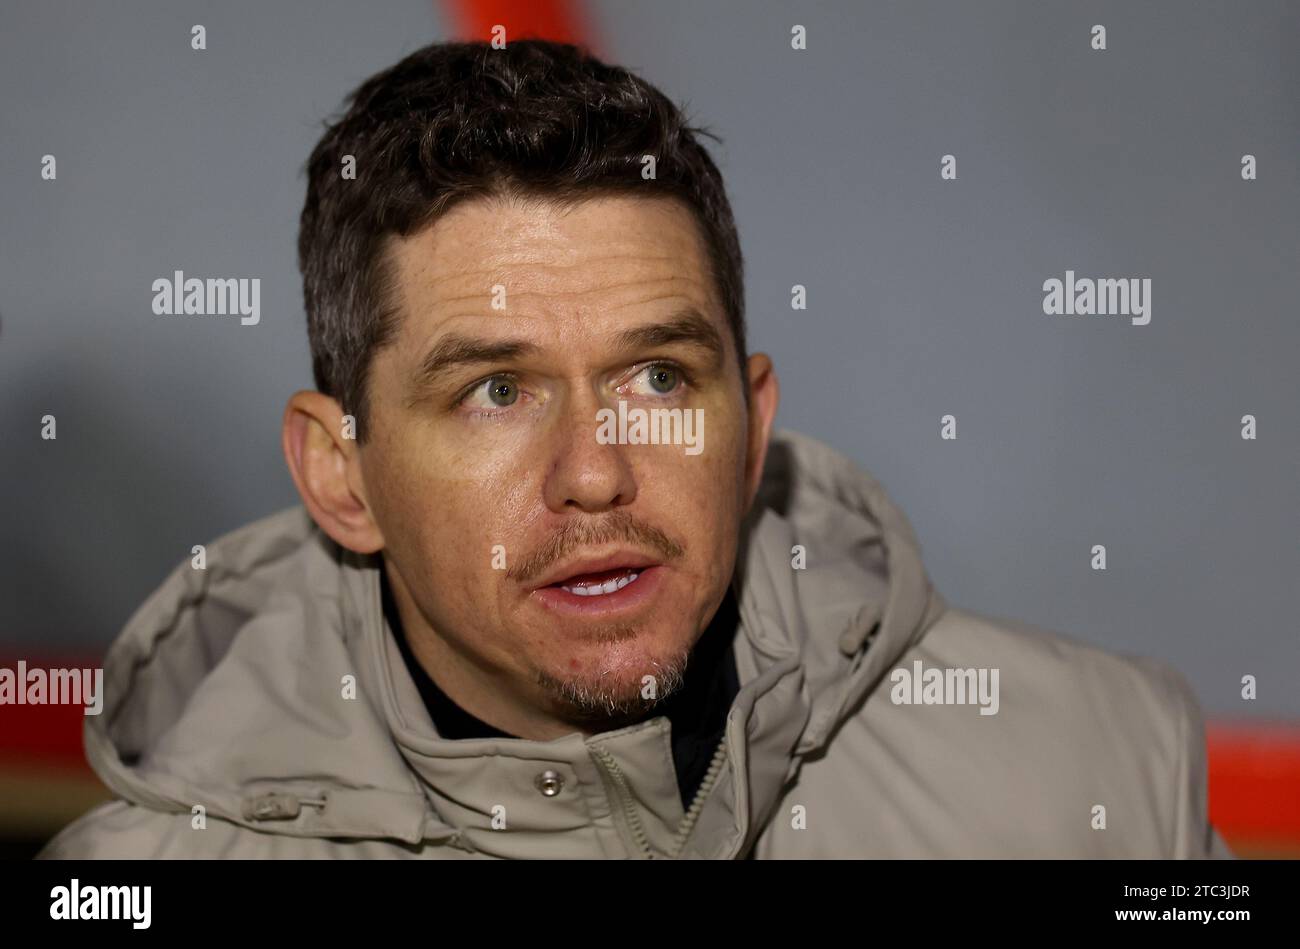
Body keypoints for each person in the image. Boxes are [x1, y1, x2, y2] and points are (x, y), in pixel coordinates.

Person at [40, 39, 1232, 859]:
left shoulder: (1098, 772)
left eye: (659, 376)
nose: (597, 469)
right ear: (340, 476)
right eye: (497, 390)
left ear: (752, 424)